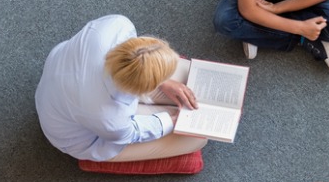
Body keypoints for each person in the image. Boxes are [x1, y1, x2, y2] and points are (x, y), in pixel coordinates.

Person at [34, 14, 207, 163]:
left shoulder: (116, 26)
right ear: (143, 89)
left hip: (65, 81)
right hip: (85, 133)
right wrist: (172, 121)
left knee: (189, 79)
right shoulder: (110, 119)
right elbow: (132, 132)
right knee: (196, 141)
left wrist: (164, 81)